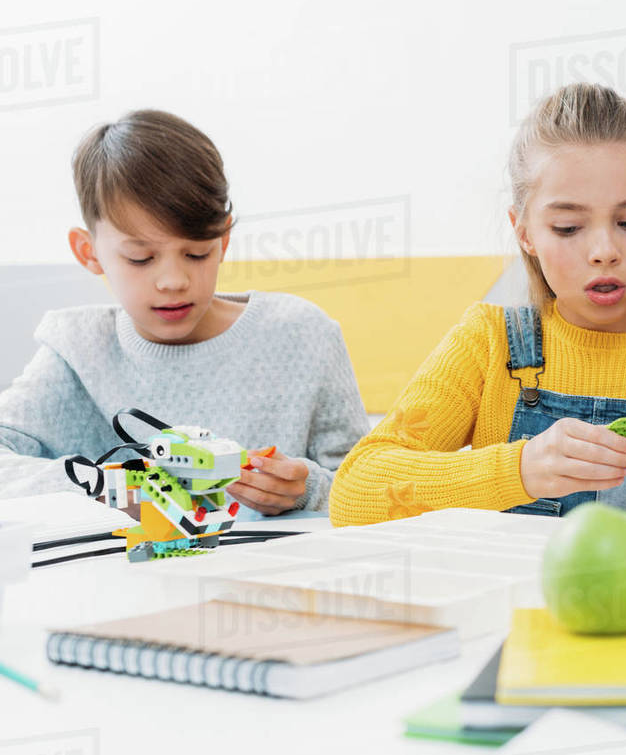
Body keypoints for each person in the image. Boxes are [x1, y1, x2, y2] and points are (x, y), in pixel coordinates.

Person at [332, 83, 626, 548]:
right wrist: (518, 471)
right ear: (525, 232)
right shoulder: (488, 342)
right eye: (568, 228)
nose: (604, 251)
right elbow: (353, 493)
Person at [0, 109, 369, 514]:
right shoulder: (76, 349)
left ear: (223, 241)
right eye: (141, 258)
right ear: (89, 252)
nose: (173, 281)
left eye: (196, 254)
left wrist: (307, 490)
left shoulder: (303, 335)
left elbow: (372, 485)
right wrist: (109, 486)